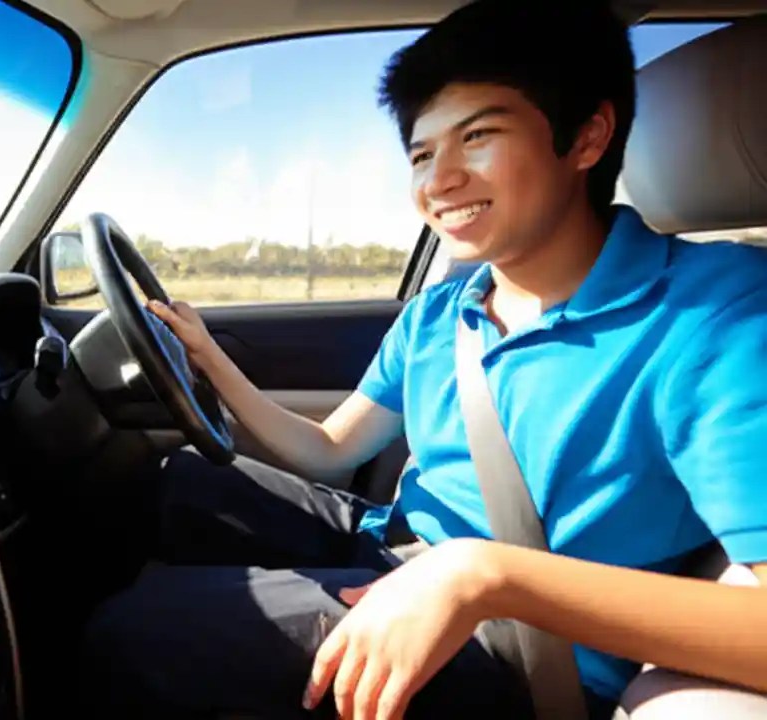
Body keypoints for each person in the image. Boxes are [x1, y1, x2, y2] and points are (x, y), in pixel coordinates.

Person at [81, 1, 767, 718]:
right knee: (171, 485)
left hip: (529, 647)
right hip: (407, 546)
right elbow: (328, 449)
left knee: (128, 634)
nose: (438, 182)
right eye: (420, 154)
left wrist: (484, 577)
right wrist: (210, 361)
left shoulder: (717, 314)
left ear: (587, 136)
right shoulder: (441, 313)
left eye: (477, 137)